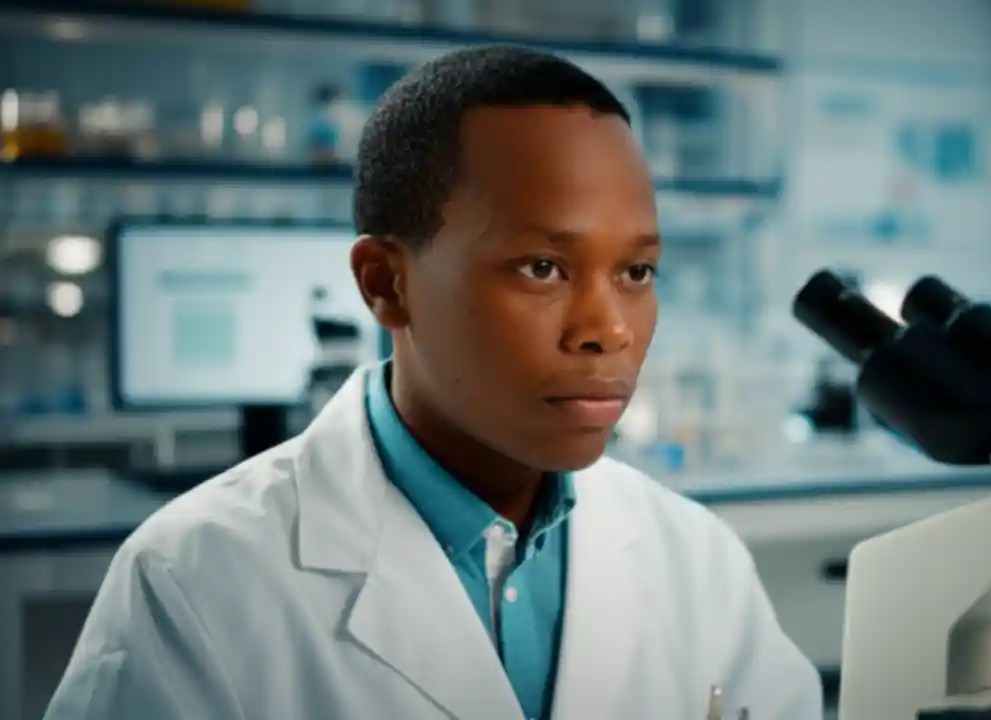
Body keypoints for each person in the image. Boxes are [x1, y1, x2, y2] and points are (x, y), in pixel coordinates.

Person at [45, 46, 822, 719]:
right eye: (542, 268)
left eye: (636, 271)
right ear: (385, 283)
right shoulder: (196, 580)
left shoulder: (698, 560)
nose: (609, 327)